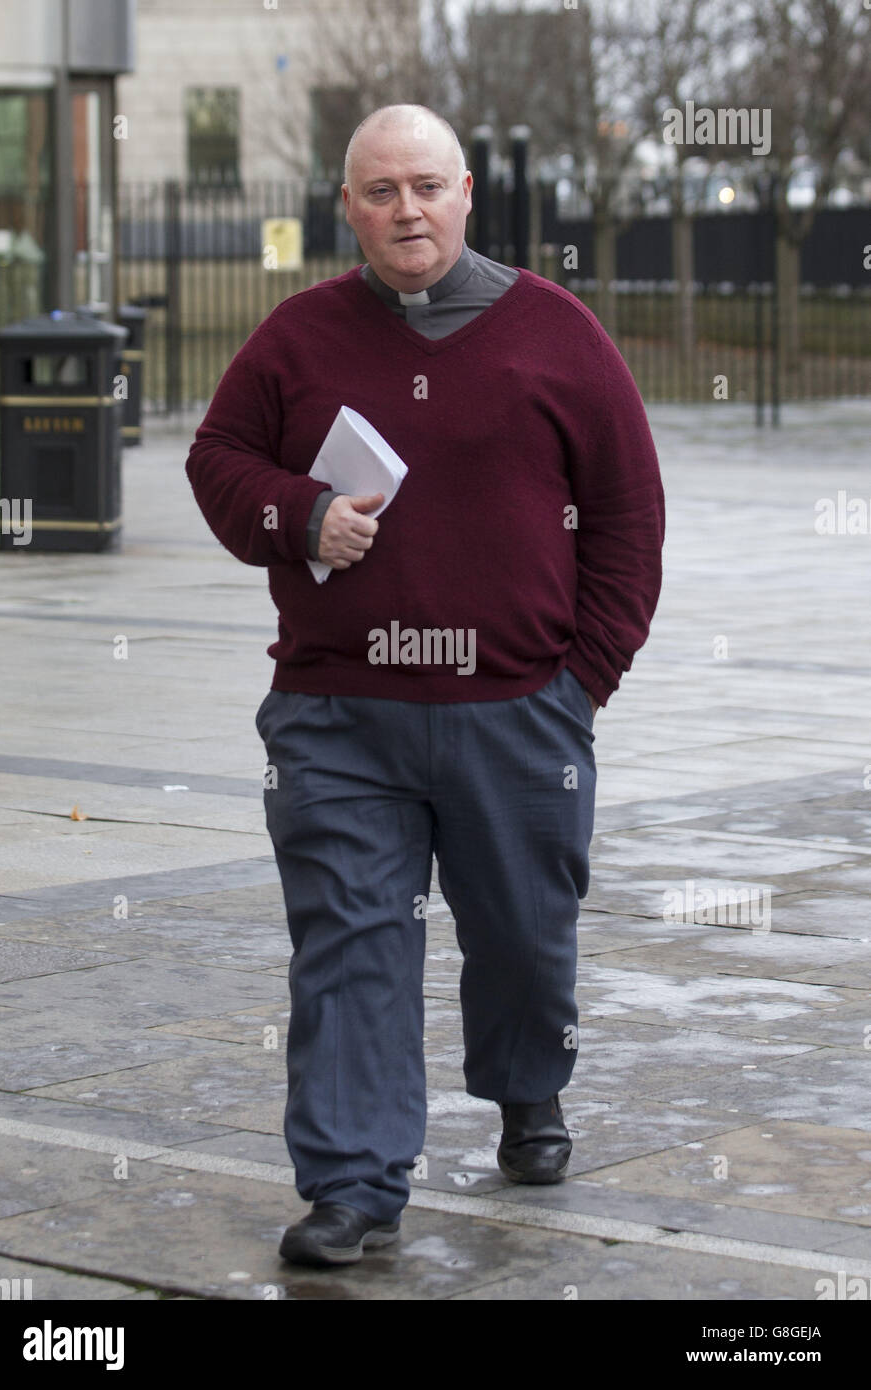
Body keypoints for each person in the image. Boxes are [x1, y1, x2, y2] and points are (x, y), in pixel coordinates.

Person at [185, 104, 665, 1269]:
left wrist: (577, 680)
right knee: (349, 941)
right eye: (380, 190)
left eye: (426, 187)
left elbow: (627, 514)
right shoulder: (297, 338)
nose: (406, 209)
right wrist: (296, 514)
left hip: (516, 712)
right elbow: (216, 462)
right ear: (347, 208)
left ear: (464, 194)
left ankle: (526, 1091)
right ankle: (353, 1182)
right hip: (340, 712)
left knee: (520, 935)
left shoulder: (558, 334)